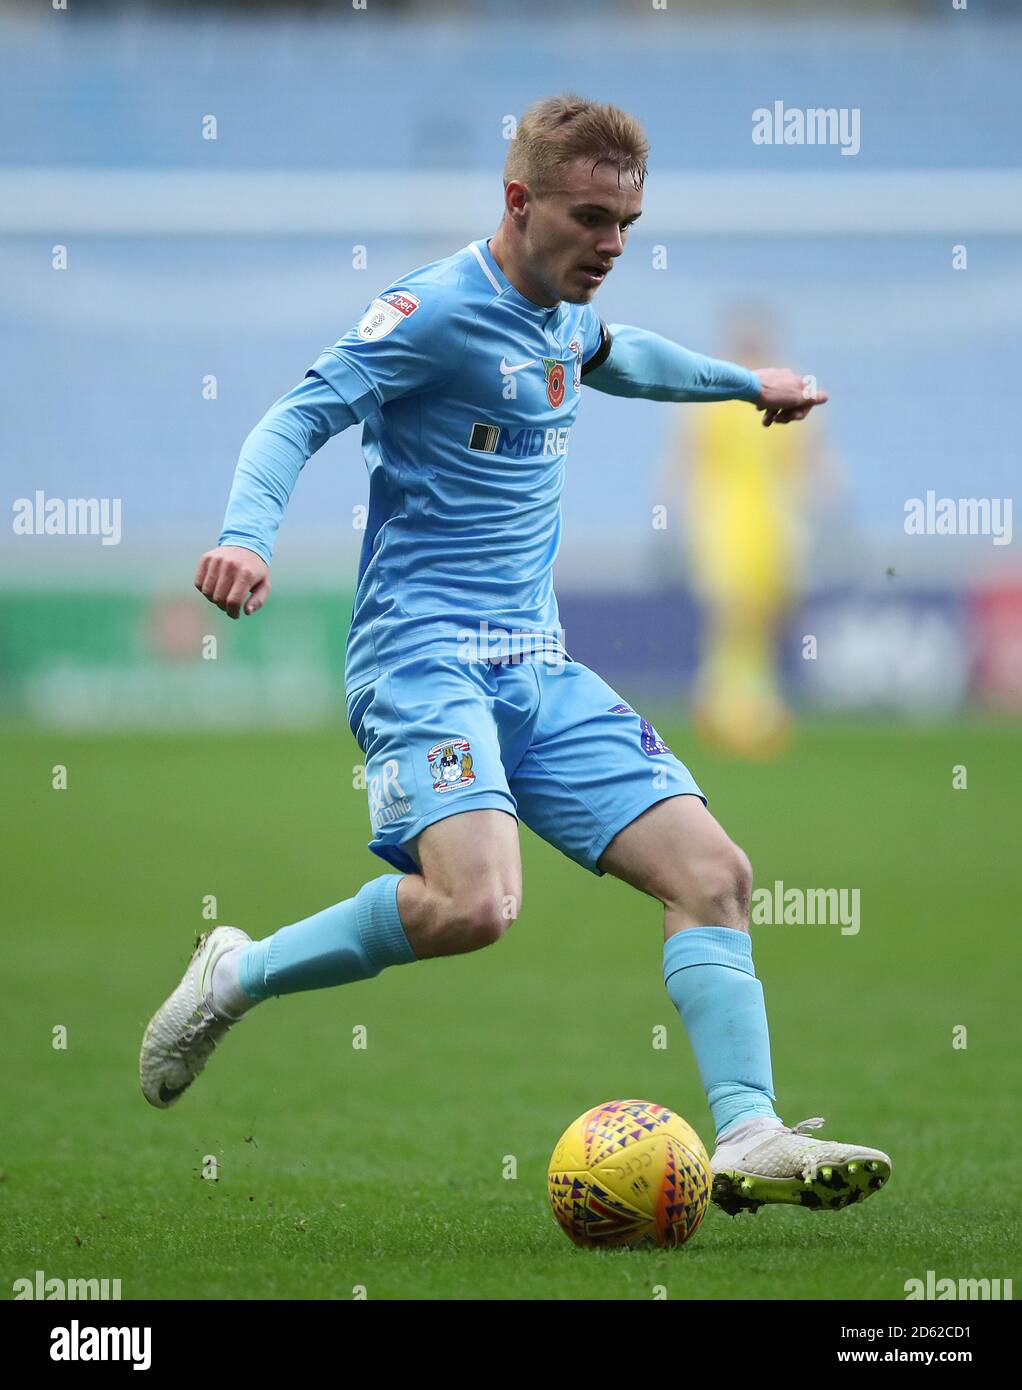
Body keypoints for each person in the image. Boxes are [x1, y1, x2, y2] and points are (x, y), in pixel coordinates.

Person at [140, 95, 890, 1217]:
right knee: (477, 905)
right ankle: (234, 974)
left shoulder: (564, 310)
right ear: (517, 200)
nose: (611, 246)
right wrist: (245, 534)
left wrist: (746, 384)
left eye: (627, 224)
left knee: (715, 876)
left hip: (536, 664)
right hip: (421, 656)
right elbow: (295, 416)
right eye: (590, 218)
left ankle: (746, 1132)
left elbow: (612, 352)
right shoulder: (433, 311)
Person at [663, 308, 841, 758]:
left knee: (766, 612)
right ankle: (734, 704)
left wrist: (822, 500)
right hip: (725, 518)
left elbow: (810, 460)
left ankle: (729, 698)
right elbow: (686, 459)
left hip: (773, 517)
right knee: (735, 612)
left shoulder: (784, 390)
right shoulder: (714, 395)